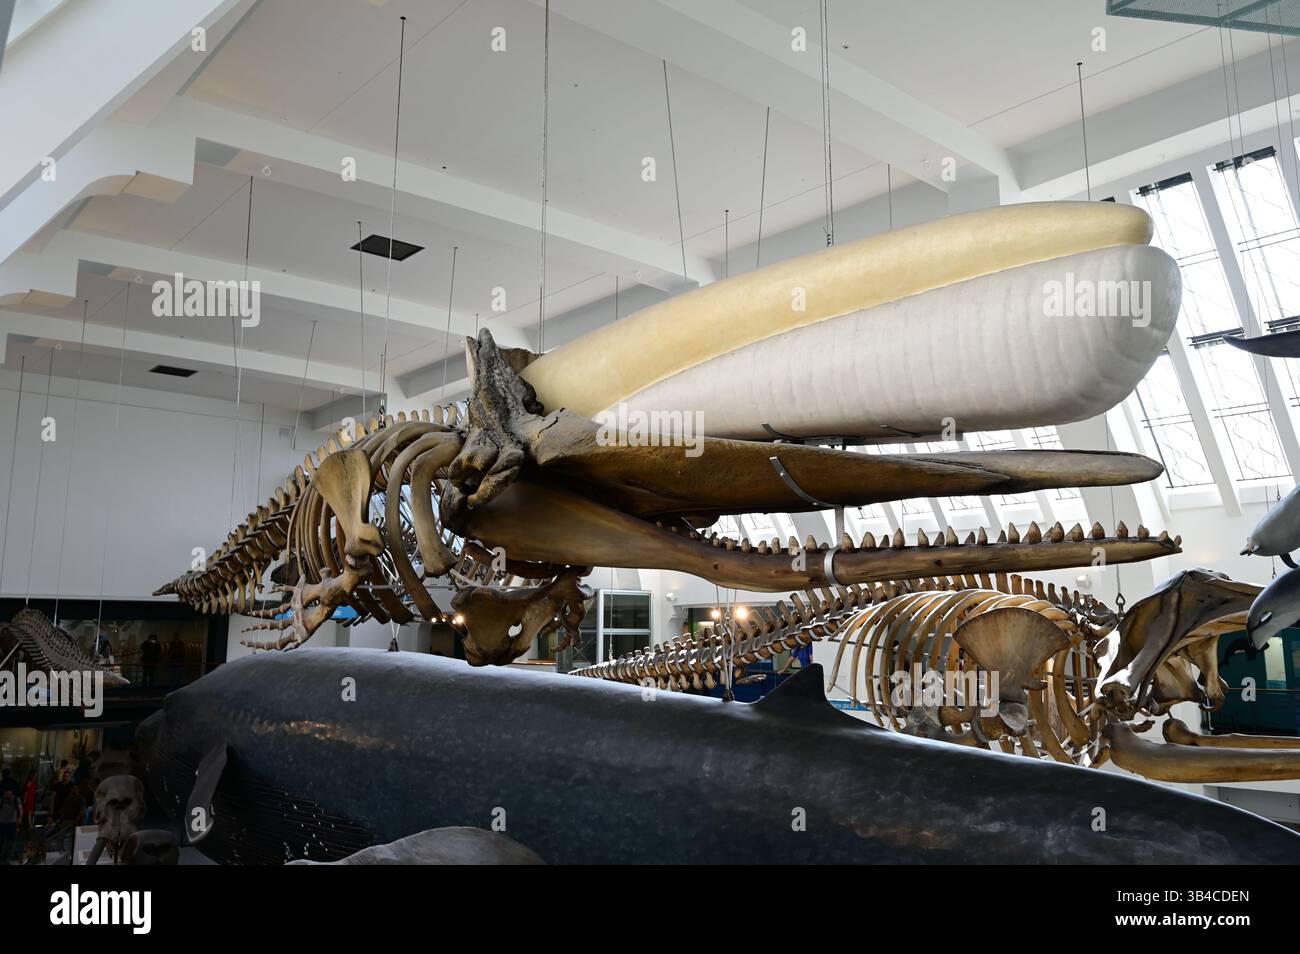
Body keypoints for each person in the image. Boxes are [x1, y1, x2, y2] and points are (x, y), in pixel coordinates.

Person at [0, 790, 22, 863]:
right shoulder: (1, 800)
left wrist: (19, 819)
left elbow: (20, 809)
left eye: (9, 793)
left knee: (11, 841)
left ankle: (8, 857)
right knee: (2, 841)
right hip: (2, 823)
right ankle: (2, 857)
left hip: (12, 823)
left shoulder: (16, 799)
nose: (7, 795)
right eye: (6, 793)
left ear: (11, 792)